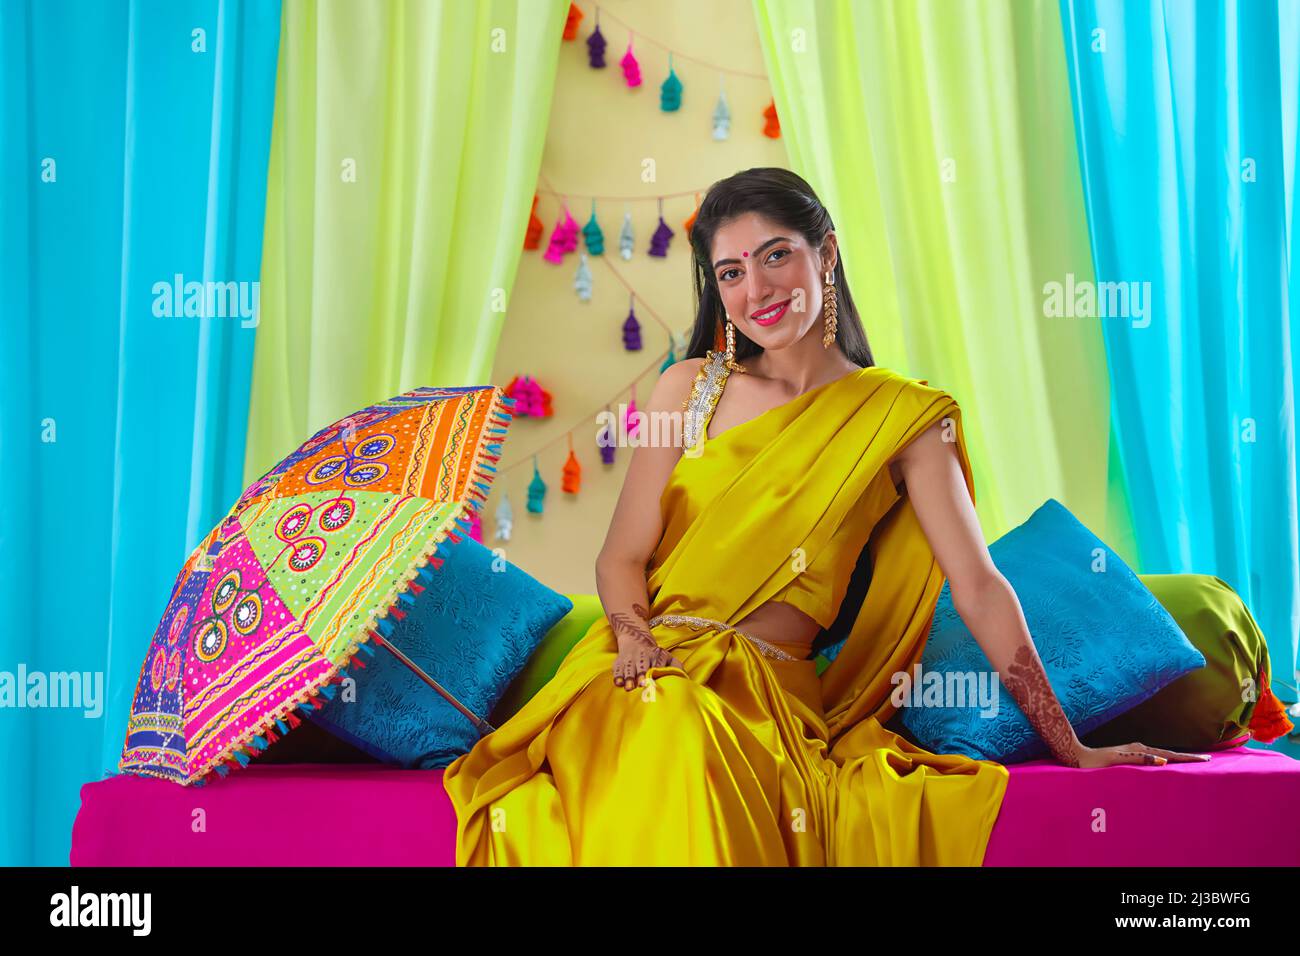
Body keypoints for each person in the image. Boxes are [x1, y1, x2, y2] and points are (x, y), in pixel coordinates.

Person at [441, 167, 1208, 866]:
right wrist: (636, 642)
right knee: (662, 717)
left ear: (826, 253)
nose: (756, 290)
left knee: (680, 731)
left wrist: (1069, 743)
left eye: (775, 256)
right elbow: (621, 557)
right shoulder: (688, 389)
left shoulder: (902, 420)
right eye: (731, 272)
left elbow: (978, 586)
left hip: (768, 700)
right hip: (648, 672)